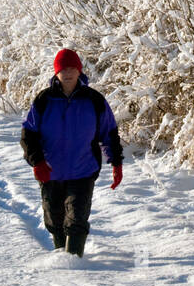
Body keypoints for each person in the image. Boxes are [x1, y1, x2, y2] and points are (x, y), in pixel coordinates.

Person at [21, 48, 123, 256]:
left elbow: (109, 132)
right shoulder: (44, 100)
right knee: (54, 220)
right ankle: (61, 260)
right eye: (63, 69)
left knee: (77, 219)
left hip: (83, 170)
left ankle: (74, 263)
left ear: (79, 71)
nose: (68, 73)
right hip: (50, 171)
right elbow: (28, 135)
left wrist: (116, 163)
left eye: (72, 68)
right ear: (56, 72)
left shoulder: (94, 100)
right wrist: (38, 162)